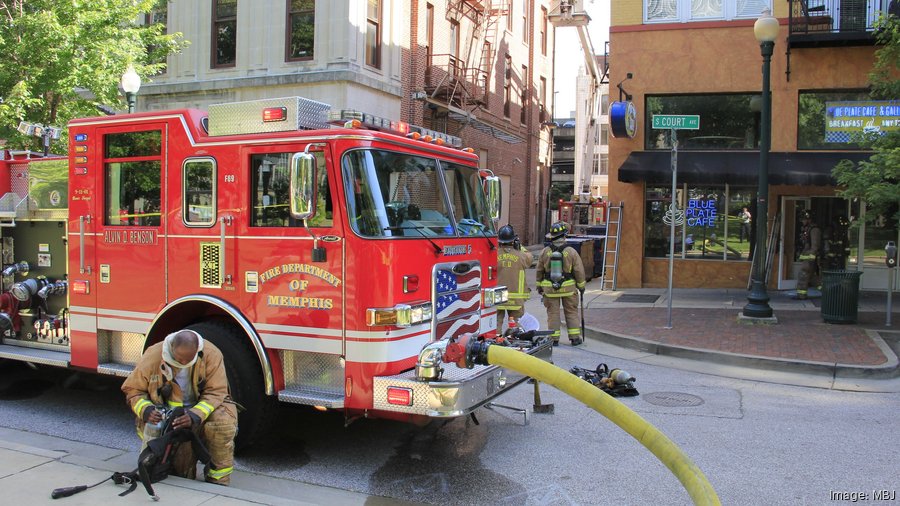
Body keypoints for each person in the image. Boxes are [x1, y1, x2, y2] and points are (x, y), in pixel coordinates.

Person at [121, 329, 238, 485]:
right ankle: (167, 465)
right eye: (178, 359)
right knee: (180, 474)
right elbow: (133, 389)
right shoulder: (154, 355)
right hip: (171, 420)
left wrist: (194, 415)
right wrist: (146, 410)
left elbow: (216, 392)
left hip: (197, 413)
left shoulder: (211, 354)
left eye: (187, 360)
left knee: (222, 422)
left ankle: (218, 480)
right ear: (171, 349)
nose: (182, 364)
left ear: (197, 352)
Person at [536, 221, 586, 346]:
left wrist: (539, 286)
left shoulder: (545, 252)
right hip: (568, 288)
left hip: (550, 288)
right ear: (564, 235)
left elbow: (539, 270)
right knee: (571, 312)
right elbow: (579, 270)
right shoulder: (571, 252)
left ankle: (554, 339)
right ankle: (575, 338)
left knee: (553, 313)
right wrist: (581, 286)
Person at [495, 224, 533, 334]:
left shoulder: (494, 255)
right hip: (516, 298)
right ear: (513, 240)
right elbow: (530, 259)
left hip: (498, 296)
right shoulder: (521, 255)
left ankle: (496, 341)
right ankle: (514, 341)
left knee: (496, 322)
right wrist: (520, 247)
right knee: (516, 323)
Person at [796, 210, 821, 300]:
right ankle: (826, 293)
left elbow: (815, 246)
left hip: (811, 259)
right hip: (808, 259)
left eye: (804, 219)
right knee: (812, 278)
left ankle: (801, 295)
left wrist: (810, 258)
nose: (802, 222)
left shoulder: (814, 230)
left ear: (809, 220)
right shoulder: (808, 230)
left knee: (803, 276)